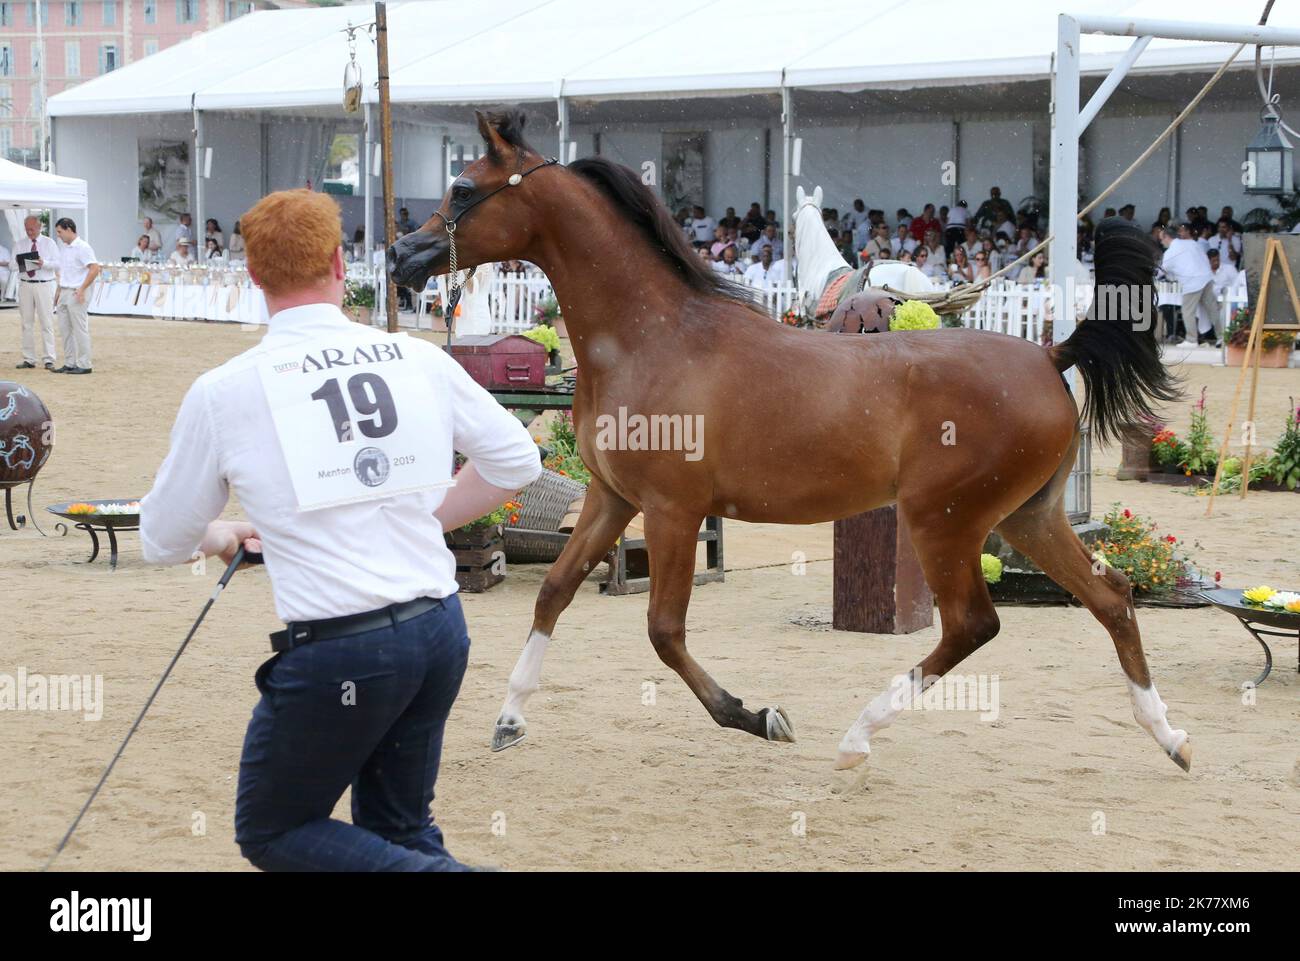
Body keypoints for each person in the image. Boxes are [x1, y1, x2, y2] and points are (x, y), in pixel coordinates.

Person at [139, 189, 541, 872]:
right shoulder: (414, 358)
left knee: (273, 828)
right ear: (337, 261)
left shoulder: (224, 389)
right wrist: (420, 517)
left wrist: (219, 534)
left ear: (254, 276)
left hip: (341, 648)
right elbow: (516, 461)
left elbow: (162, 537)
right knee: (399, 828)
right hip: (436, 627)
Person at [51, 217, 100, 376]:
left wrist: (82, 289)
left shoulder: (83, 247)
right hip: (65, 290)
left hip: (76, 291)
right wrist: (58, 291)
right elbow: (64, 271)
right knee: (65, 329)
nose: (58, 235)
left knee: (79, 328)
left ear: (69, 229)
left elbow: (94, 268)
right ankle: (69, 362)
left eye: (59, 231)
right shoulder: (65, 248)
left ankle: (85, 364)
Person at [1159, 223, 1220, 347]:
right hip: (1206, 278)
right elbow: (1203, 257)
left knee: (1187, 311)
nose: (1161, 242)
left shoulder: (1170, 252)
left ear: (1166, 237)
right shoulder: (1191, 243)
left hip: (1192, 282)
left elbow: (1162, 271)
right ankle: (1223, 337)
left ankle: (1192, 339)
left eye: (1161, 239)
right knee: (1213, 310)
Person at [13, 215, 60, 372]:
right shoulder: (20, 243)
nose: (29, 232)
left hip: (44, 285)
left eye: (32, 229)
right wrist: (30, 263)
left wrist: (43, 263)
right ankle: (28, 358)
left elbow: (57, 263)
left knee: (47, 322)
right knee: (26, 323)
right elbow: (13, 265)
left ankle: (49, 358)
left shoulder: (49, 243)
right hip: (26, 284)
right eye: (27, 229)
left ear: (39, 227)